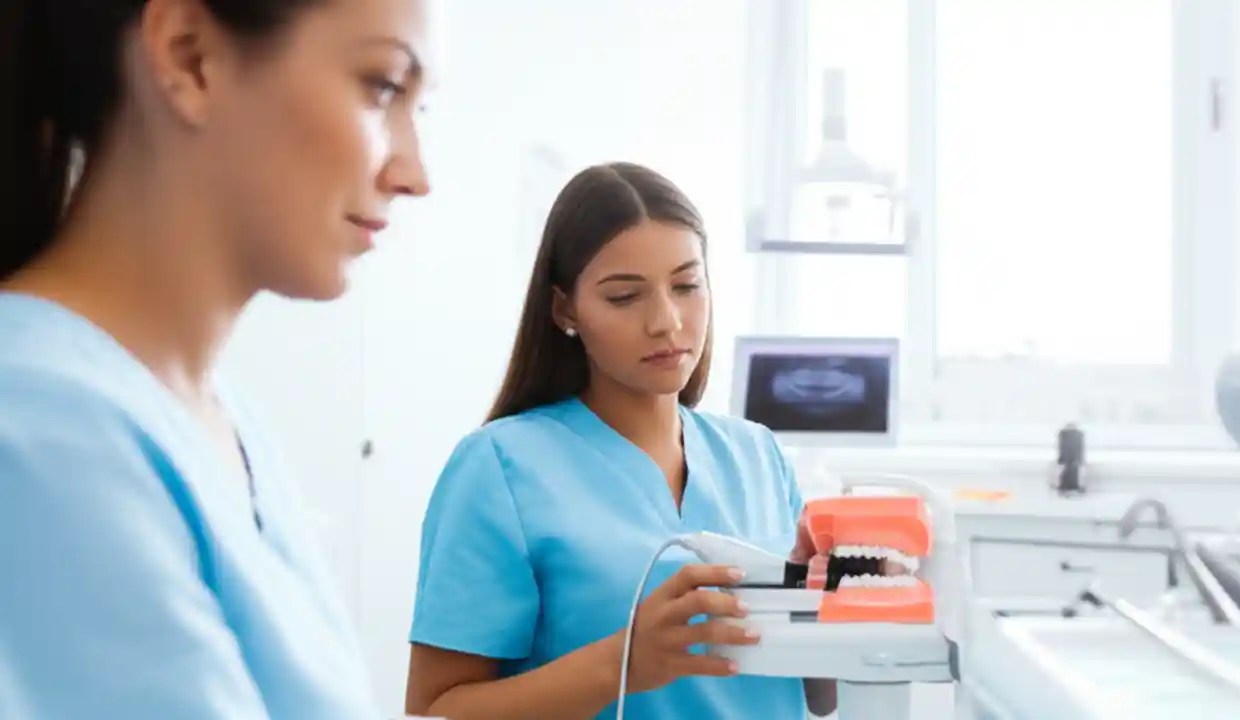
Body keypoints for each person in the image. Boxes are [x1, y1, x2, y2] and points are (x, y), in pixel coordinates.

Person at [0, 0, 430, 717]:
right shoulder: (42, 429)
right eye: (382, 87)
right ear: (190, 56)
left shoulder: (214, 422)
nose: (416, 172)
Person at [404, 162, 836, 719]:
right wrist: (624, 663)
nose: (667, 322)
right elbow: (434, 712)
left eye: (686, 286)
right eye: (625, 297)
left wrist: (831, 611)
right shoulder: (501, 468)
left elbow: (817, 699)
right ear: (565, 309)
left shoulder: (757, 455)